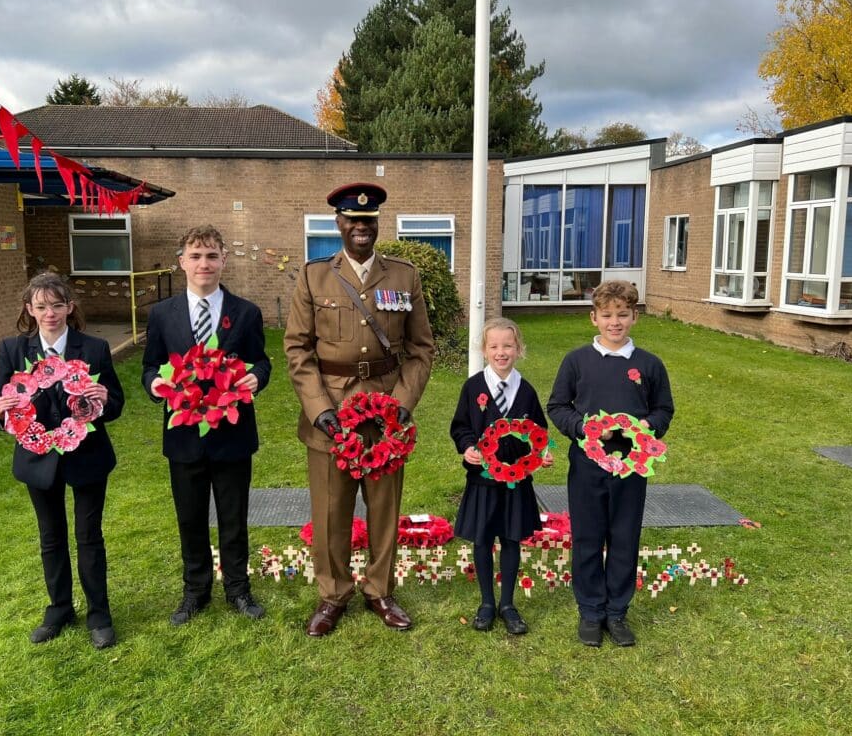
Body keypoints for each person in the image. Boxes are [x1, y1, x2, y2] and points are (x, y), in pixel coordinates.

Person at [284, 182, 435, 637]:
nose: (361, 228)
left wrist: (403, 405)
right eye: (352, 220)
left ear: (377, 224)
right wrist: (318, 409)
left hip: (385, 410)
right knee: (331, 509)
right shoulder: (315, 276)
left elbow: (421, 348)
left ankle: (380, 590)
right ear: (339, 224)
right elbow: (297, 348)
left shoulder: (404, 276)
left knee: (384, 507)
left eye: (368, 221)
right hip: (331, 408)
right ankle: (332, 595)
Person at [142, 225, 271, 625]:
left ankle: (238, 589)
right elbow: (149, 366)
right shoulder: (162, 314)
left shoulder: (245, 312)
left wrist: (257, 377)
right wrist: (155, 385)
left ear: (223, 261)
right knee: (190, 516)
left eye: (212, 256)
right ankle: (195, 591)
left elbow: (261, 361)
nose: (204, 264)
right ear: (182, 262)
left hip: (232, 435)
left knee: (233, 517)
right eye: (196, 256)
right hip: (183, 436)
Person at [0, 272, 124, 649]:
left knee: (88, 536)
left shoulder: (95, 348)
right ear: (29, 310)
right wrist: (0, 412)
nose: (50, 313)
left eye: (57, 305)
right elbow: (2, 411)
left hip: (87, 458)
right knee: (51, 537)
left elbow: (114, 405)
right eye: (41, 306)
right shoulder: (13, 349)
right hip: (37, 458)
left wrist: (103, 398)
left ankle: (99, 613)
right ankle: (60, 608)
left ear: (70, 307)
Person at [546, 280, 674, 648]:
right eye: (607, 315)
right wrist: (583, 428)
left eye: (622, 315)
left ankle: (617, 612)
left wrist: (651, 425)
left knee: (623, 536)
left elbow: (664, 408)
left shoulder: (649, 365)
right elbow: (558, 406)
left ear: (634, 316)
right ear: (593, 318)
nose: (614, 322)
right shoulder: (577, 361)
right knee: (587, 536)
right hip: (587, 466)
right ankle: (590, 611)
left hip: (631, 469)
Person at [450, 317, 553, 635]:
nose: (501, 352)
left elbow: (539, 431)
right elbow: (461, 426)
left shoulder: (526, 391)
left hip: (516, 482)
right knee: (483, 539)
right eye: (494, 346)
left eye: (508, 345)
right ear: (484, 350)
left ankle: (507, 604)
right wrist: (468, 446)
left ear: (518, 349)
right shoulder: (473, 388)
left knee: (511, 538)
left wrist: (542, 454)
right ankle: (486, 603)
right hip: (482, 480)